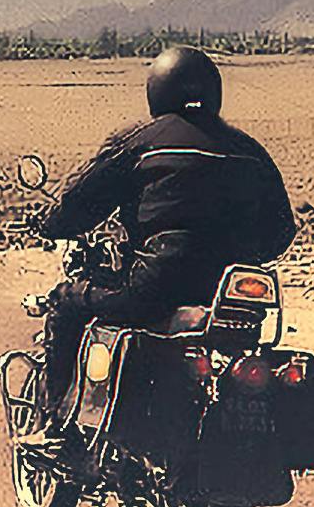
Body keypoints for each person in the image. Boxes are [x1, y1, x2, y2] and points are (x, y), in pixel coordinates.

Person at [28, 45, 298, 436]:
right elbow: (280, 233)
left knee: (66, 302)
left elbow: (81, 201)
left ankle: (55, 427)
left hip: (154, 292)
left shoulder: (140, 141)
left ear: (157, 90)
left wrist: (49, 224)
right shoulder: (250, 151)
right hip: (232, 305)